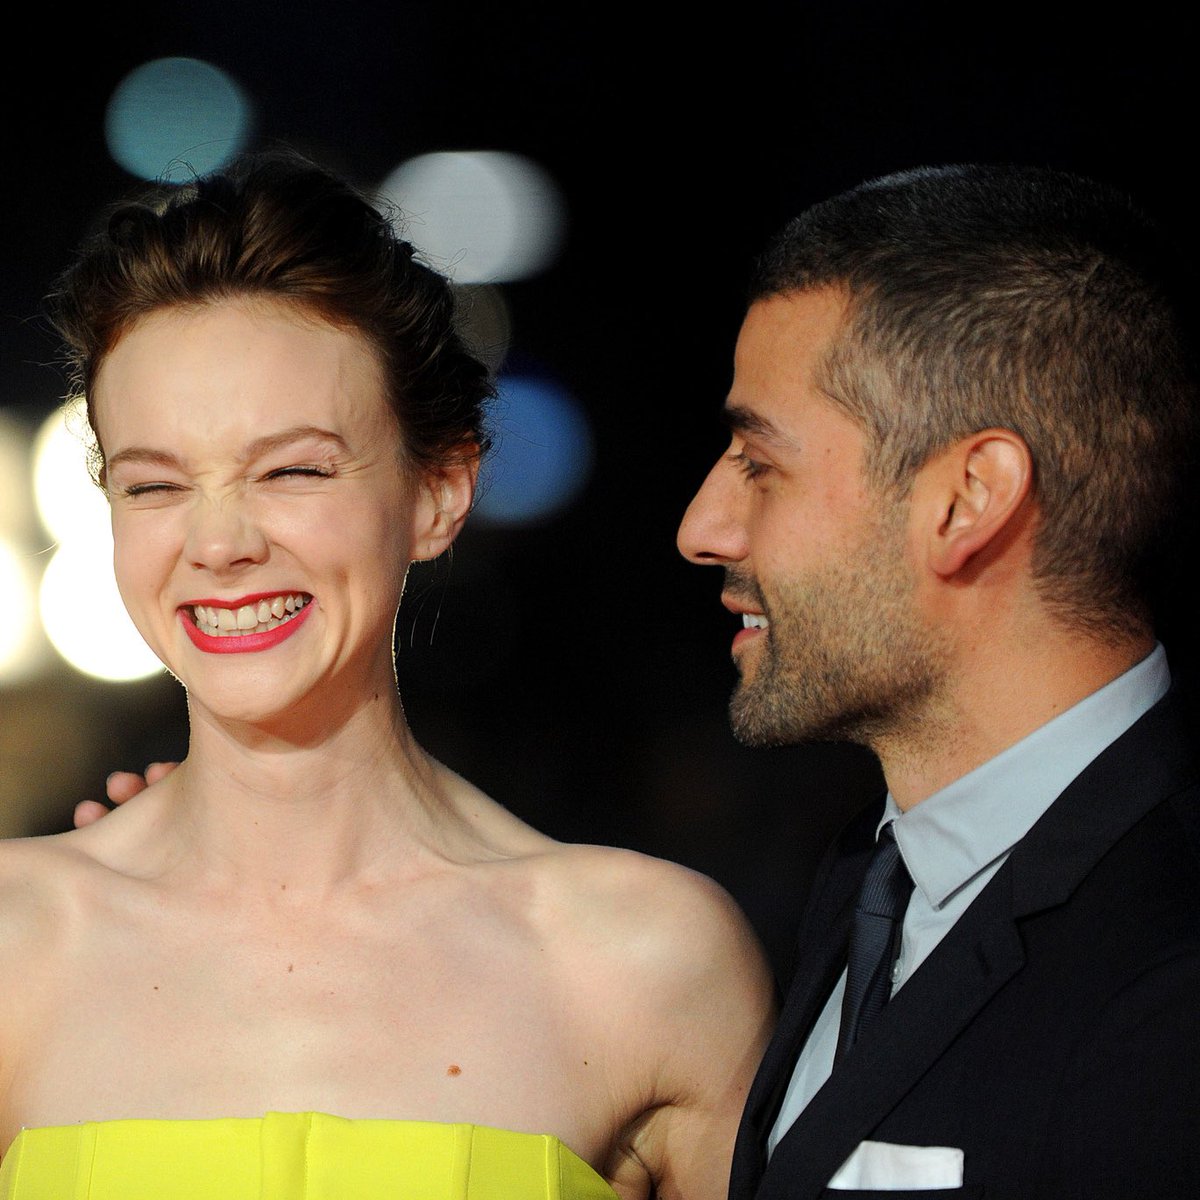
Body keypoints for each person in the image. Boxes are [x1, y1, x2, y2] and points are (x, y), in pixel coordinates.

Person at [0, 151, 777, 1199]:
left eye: (293, 470)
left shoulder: (643, 963)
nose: (218, 544)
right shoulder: (18, 943)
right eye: (155, 486)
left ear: (439, 492)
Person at [676, 164, 1200, 1198]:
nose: (704, 529)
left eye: (760, 464)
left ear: (967, 499)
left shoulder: (1169, 985)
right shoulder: (871, 883)